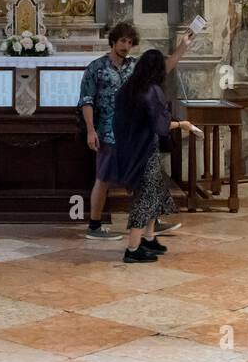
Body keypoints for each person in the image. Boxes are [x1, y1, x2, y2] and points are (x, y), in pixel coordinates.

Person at [78, 22, 192, 240]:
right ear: (113, 41)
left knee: (145, 177)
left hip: (134, 133)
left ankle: (151, 223)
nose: (126, 46)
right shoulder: (96, 68)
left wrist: (182, 48)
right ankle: (94, 226)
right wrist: (91, 130)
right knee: (103, 178)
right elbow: (86, 101)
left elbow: (162, 68)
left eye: (130, 42)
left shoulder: (134, 66)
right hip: (108, 132)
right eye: (123, 41)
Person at [112, 50, 194, 263]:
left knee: (155, 192)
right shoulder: (152, 91)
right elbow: (161, 125)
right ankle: (132, 249)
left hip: (129, 148)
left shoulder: (128, 89)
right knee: (145, 197)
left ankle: (148, 239)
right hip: (145, 151)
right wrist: (182, 124)